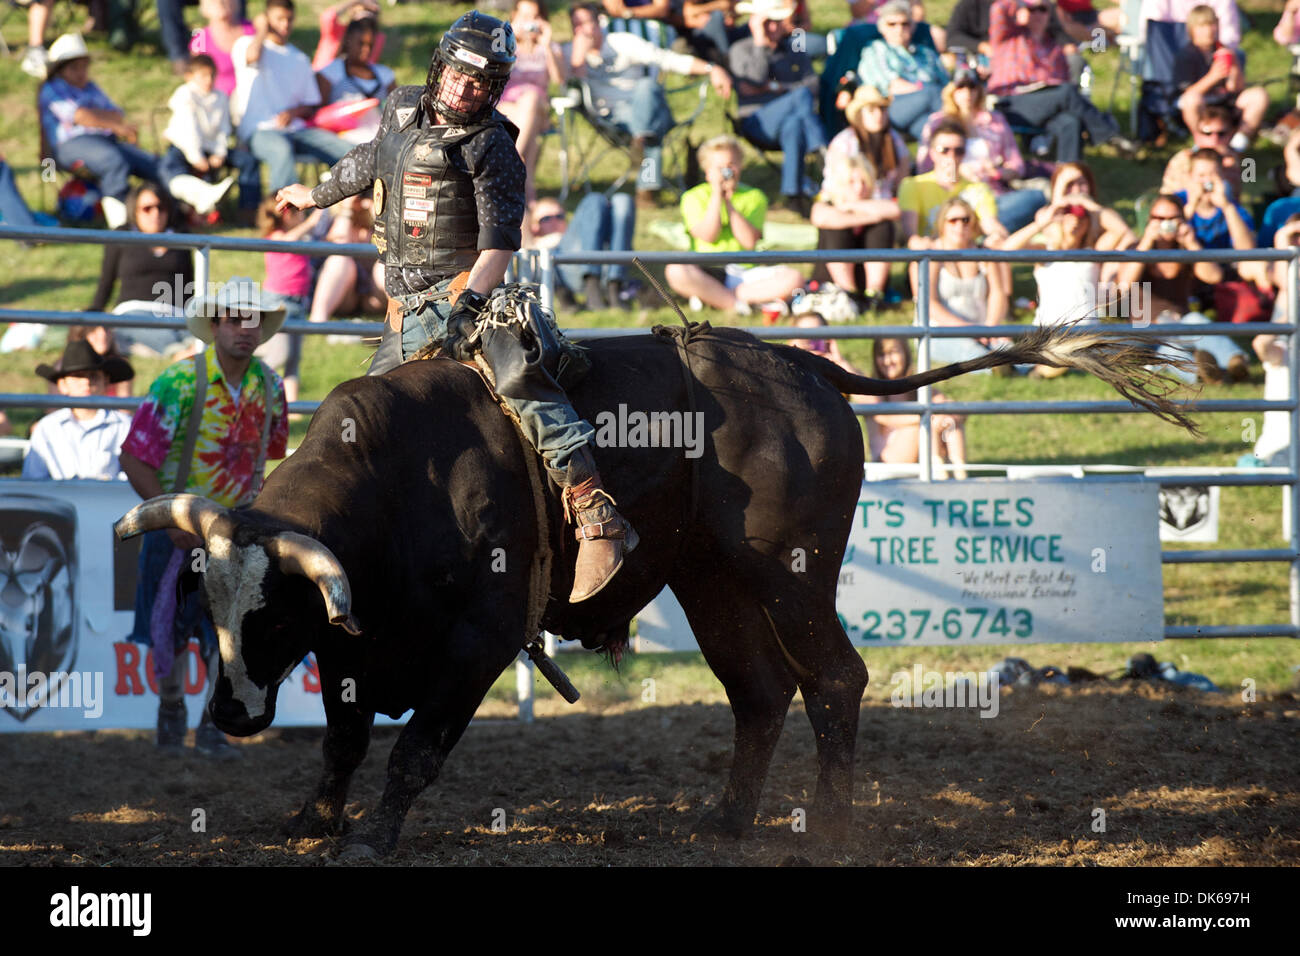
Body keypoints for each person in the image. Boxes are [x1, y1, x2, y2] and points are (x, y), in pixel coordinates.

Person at [275, 12, 638, 603]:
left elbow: (498, 245)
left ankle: (597, 513)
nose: (463, 88)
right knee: (360, 420)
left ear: (493, 88)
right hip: (401, 309)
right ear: (439, 64)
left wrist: (468, 304)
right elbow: (369, 161)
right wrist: (311, 195)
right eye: (459, 73)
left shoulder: (494, 145)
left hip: (467, 292)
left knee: (518, 376)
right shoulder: (398, 108)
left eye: (480, 81)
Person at [120, 277, 288, 756]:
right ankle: (172, 711)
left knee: (233, 634)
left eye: (251, 320)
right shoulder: (178, 381)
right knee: (169, 631)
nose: (245, 329)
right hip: (179, 530)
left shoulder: (269, 386)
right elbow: (134, 458)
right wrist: (172, 521)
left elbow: (268, 458)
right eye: (235, 319)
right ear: (215, 324)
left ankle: (211, 725)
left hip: (236, 532)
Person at [567, 1, 731, 206]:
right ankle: (647, 186)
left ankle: (640, 143)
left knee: (646, 87)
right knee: (652, 127)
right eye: (577, 25)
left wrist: (712, 68)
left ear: (599, 22)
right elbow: (571, 88)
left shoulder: (621, 42)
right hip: (612, 117)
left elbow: (668, 59)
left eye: (587, 22)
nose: (583, 30)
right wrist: (578, 59)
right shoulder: (570, 53)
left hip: (644, 105)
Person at [1114, 193, 1249, 383]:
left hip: (1182, 323)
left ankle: (1234, 362)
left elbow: (1214, 276)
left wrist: (1191, 243)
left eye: (1172, 218)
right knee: (1167, 348)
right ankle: (1203, 372)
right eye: (1159, 218)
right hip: (1145, 330)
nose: (1166, 223)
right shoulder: (1136, 248)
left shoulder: (1186, 250)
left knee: (1196, 320)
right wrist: (1147, 242)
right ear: (1149, 220)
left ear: (1182, 220)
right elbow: (1124, 285)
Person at [664, 135, 805, 314]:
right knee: (675, 270)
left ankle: (716, 298)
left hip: (745, 272)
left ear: (741, 165)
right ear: (707, 170)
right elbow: (708, 235)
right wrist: (717, 195)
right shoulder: (693, 197)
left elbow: (748, 242)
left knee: (794, 278)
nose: (726, 171)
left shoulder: (755, 196)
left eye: (731, 164)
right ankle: (739, 304)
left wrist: (729, 203)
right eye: (720, 167)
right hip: (707, 268)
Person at [987, 0, 1135, 163]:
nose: (1037, 14)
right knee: (1067, 92)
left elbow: (1063, 79)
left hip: (1046, 103)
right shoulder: (1008, 38)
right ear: (1022, 11)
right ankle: (1108, 134)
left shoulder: (1054, 47)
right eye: (1031, 10)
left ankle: (1070, 174)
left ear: (1049, 14)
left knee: (1070, 122)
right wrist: (1019, 2)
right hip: (1011, 103)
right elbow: (998, 10)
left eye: (1042, 9)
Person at [38, 33, 161, 229]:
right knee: (113, 161)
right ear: (60, 70)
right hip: (70, 147)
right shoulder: (52, 89)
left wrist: (100, 119)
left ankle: (175, 211)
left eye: (83, 66)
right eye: (74, 67)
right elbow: (79, 116)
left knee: (153, 164)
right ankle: (122, 224)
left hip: (105, 141)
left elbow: (116, 114)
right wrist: (108, 123)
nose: (81, 72)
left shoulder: (91, 87)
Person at [232, 0, 352, 195]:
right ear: (267, 18)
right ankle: (283, 214)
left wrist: (293, 112)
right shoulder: (246, 44)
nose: (285, 25)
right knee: (281, 151)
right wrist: (261, 30)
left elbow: (311, 104)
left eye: (289, 19)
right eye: (279, 19)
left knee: (348, 151)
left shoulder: (300, 59)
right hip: (259, 130)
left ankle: (356, 205)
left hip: (296, 130)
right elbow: (252, 56)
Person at [916, 67, 1045, 232]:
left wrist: (996, 172)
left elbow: (1016, 165)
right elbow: (924, 167)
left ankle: (980, 232)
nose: (967, 93)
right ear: (951, 91)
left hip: (991, 194)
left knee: (1035, 197)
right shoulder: (938, 123)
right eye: (961, 87)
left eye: (972, 87)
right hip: (953, 195)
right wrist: (957, 172)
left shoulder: (995, 120)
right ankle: (974, 231)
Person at [88, 182, 200, 359]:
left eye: (160, 208)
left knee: (197, 335)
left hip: (174, 312)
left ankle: (192, 348)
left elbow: (189, 287)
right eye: (147, 208)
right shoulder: (121, 236)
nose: (155, 214)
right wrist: (93, 313)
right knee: (147, 328)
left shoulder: (181, 238)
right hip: (133, 310)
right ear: (135, 210)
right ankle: (178, 352)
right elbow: (106, 282)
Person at [908, 197, 1009, 366]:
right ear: (942, 224)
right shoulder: (931, 254)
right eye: (953, 220)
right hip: (939, 330)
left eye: (965, 220)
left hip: (982, 329)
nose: (959, 226)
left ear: (973, 223)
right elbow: (928, 304)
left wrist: (991, 328)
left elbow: (998, 293)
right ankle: (998, 369)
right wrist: (969, 330)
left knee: (1010, 349)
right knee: (971, 352)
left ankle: (1033, 370)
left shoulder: (984, 253)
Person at [23, 340, 135, 480]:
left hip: (110, 500)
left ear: (105, 382)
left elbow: (131, 478)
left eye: (93, 376)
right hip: (58, 500)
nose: (86, 383)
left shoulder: (124, 426)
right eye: (78, 376)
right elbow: (33, 480)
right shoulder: (47, 427)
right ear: (62, 385)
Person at [862, 337, 969, 477]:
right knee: (923, 422)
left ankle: (960, 471)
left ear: (905, 354)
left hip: (917, 461)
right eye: (882, 355)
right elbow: (886, 418)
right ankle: (937, 468)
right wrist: (929, 416)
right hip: (886, 464)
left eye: (893, 353)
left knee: (948, 419)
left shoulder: (918, 390)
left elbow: (958, 411)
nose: (888, 361)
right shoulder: (873, 391)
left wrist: (945, 415)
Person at [497, 0, 567, 204]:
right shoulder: (504, 46)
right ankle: (528, 196)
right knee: (530, 133)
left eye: (535, 17)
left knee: (532, 98)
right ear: (513, 18)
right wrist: (511, 40)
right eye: (524, 17)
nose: (530, 23)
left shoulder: (550, 47)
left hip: (539, 107)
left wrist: (546, 45)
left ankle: (511, 159)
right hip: (508, 108)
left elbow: (560, 80)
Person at [809, 153, 900, 308]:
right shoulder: (826, 204)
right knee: (836, 227)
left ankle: (874, 295)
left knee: (882, 227)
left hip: (865, 278)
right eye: (851, 182)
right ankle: (847, 294)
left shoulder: (875, 204)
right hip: (830, 280)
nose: (859, 188)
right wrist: (871, 216)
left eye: (864, 181)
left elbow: (894, 210)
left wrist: (850, 206)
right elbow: (821, 217)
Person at [256, 197, 324, 403]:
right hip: (277, 302)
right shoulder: (275, 236)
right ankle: (250, 385)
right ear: (287, 215)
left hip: (298, 303)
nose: (304, 217)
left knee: (294, 358)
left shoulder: (298, 237)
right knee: (280, 354)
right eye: (300, 212)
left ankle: (292, 407)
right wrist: (312, 222)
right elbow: (287, 242)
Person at [158, 53, 240, 217]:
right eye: (203, 75)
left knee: (246, 160)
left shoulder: (221, 97)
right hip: (183, 147)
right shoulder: (185, 94)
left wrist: (220, 153)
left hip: (211, 149)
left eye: (212, 75)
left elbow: (223, 129)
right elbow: (189, 129)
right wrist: (196, 157)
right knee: (169, 170)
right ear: (189, 76)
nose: (208, 80)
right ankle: (205, 195)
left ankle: (248, 210)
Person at [1174, 5, 1265, 151]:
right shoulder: (1186, 55)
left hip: (1226, 103)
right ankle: (1202, 142)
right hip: (1201, 107)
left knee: (1259, 95)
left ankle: (1238, 144)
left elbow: (1236, 89)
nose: (1209, 30)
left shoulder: (1223, 51)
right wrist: (1213, 77)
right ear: (1192, 29)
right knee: (1191, 99)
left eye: (1212, 25)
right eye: (1202, 26)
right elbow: (1186, 93)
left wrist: (1234, 67)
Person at [897, 118, 1003, 243]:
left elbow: (991, 225)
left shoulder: (979, 189)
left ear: (964, 154)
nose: (951, 156)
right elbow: (911, 236)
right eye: (944, 150)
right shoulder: (913, 185)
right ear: (932, 153)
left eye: (958, 150)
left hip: (967, 257)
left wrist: (997, 236)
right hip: (932, 256)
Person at [857, 0, 949, 141]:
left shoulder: (926, 52)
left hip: (928, 107)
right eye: (892, 24)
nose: (899, 29)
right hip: (892, 107)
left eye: (904, 24)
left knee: (931, 128)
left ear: (912, 27)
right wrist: (926, 90)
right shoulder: (876, 50)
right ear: (882, 28)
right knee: (933, 93)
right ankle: (963, 124)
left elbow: (946, 83)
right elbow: (892, 86)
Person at [525, 194, 637, 310]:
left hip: (609, 265)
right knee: (594, 200)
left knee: (623, 200)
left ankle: (615, 287)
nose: (555, 221)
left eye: (559, 216)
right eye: (546, 219)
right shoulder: (534, 249)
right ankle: (592, 285)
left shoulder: (578, 231)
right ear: (535, 227)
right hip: (571, 271)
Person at [306, 193, 386, 325]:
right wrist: (347, 209)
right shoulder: (330, 212)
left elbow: (392, 250)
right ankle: (318, 321)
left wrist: (379, 217)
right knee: (340, 260)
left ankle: (404, 322)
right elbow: (340, 244)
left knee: (384, 265)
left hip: (373, 296)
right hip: (343, 295)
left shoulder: (379, 210)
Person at [316, 17, 396, 147]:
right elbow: (319, 113)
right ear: (348, 40)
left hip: (380, 136)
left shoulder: (384, 74)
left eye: (370, 45)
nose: (366, 50)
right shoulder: (330, 72)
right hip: (345, 139)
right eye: (361, 44)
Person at [1174, 147, 1254, 251]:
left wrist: (1227, 207)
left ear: (1222, 176)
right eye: (1201, 175)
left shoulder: (1234, 208)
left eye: (1213, 175)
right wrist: (1191, 205)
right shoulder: (1176, 202)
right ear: (1190, 176)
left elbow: (1247, 250)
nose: (1207, 181)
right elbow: (1168, 242)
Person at [1160, 103, 1244, 196]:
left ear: (1231, 134)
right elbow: (1169, 198)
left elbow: (1236, 198)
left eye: (1221, 134)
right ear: (1197, 134)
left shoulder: (1232, 161)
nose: (1214, 139)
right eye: (1207, 133)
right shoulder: (1183, 159)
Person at [189, 0, 256, 96]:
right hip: (217, 100)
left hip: (253, 94)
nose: (219, 2)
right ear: (203, 7)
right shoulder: (200, 38)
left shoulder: (253, 29)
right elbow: (195, 75)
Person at [311, 0, 386, 71]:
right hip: (322, 76)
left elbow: (369, 62)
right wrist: (355, 2)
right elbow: (328, 17)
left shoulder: (376, 38)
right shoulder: (337, 31)